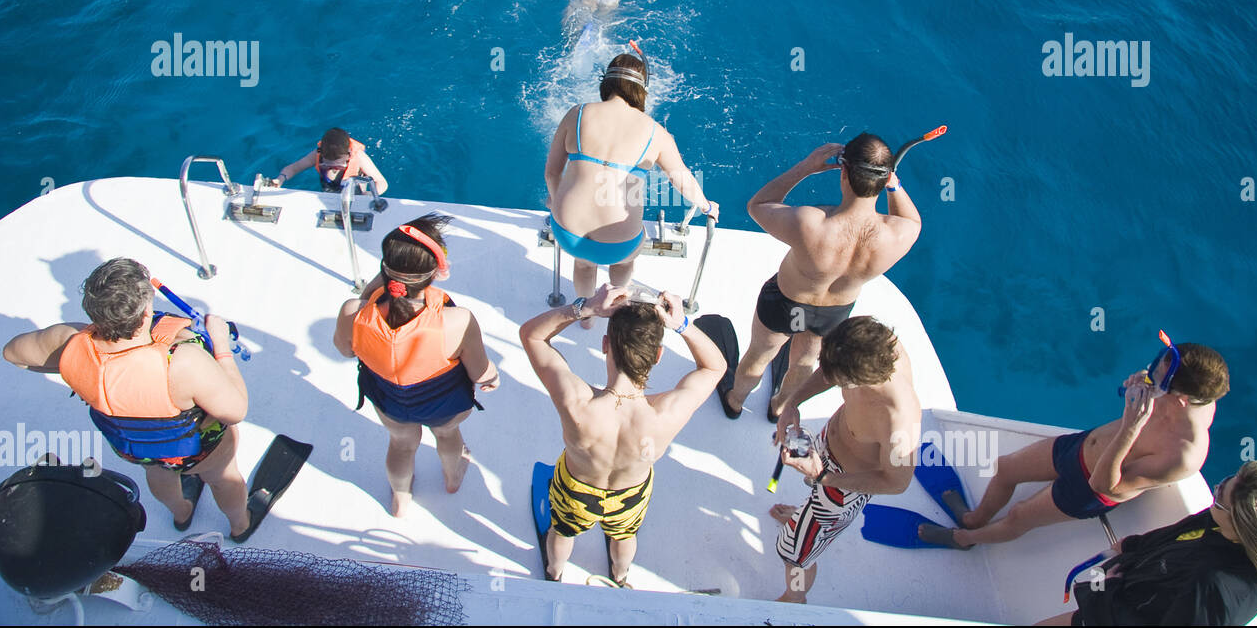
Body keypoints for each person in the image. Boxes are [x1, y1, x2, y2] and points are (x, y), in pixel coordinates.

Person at [2, 259, 254, 539]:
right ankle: (240, 524)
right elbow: (235, 411)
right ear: (147, 312)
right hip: (198, 450)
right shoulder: (183, 362)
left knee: (159, 472)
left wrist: (70, 370)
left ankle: (181, 513)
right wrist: (221, 346)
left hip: (139, 450)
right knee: (224, 478)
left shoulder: (66, 341)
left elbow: (13, 355)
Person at [519, 284, 725, 586]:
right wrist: (682, 324)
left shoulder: (576, 401)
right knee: (625, 535)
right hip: (629, 495)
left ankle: (555, 572)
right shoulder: (665, 414)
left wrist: (585, 307)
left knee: (561, 531)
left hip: (576, 490)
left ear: (605, 344)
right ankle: (619, 574)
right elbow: (714, 367)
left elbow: (532, 335)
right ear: (658, 355)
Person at [941, 338, 1229, 549]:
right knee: (1006, 468)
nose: (1150, 378)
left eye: (1158, 380)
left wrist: (1130, 427)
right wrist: (1137, 383)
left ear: (1181, 401)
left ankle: (964, 539)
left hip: (1089, 487)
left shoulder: (1184, 454)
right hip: (1081, 446)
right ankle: (973, 519)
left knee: (1019, 516)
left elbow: (1104, 486)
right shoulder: (1178, 392)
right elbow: (1150, 382)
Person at [721, 134, 921, 422]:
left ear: (843, 172)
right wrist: (895, 185)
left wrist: (805, 167)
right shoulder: (898, 235)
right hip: (834, 314)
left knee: (761, 354)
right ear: (885, 179)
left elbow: (758, 205)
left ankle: (735, 401)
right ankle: (778, 408)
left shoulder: (810, 223)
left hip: (786, 303)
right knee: (805, 360)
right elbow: (912, 220)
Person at [333, 214, 499, 516]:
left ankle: (400, 498)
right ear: (435, 272)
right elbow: (479, 372)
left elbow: (345, 351)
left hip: (389, 401)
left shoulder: (352, 312)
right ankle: (452, 478)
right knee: (448, 438)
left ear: (385, 268)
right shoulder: (457, 320)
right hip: (444, 403)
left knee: (401, 444)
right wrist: (493, 375)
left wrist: (371, 291)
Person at [543, 52, 716, 327]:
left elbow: (552, 172)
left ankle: (586, 317)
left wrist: (555, 200)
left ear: (606, 83)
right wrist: (707, 206)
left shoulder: (576, 113)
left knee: (583, 264)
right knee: (625, 262)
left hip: (568, 232)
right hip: (618, 244)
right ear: (642, 89)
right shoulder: (656, 132)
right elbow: (681, 180)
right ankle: (616, 308)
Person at [768, 316, 921, 603]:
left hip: (843, 488)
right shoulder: (869, 345)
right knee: (809, 510)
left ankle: (794, 598)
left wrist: (824, 478)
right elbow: (829, 371)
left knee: (796, 556)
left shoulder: (899, 420)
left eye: (838, 382)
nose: (829, 379)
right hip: (828, 451)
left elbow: (895, 483)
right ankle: (805, 515)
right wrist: (793, 402)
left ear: (858, 381)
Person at [1037, 460, 1257, 625]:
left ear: (1242, 528)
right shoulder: (1221, 523)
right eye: (1223, 484)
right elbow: (1181, 531)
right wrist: (1132, 546)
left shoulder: (1212, 586)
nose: (1216, 489)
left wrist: (1111, 590)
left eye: (1219, 497)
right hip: (1120, 598)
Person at [273, 126, 388, 194]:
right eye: (328, 163)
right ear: (321, 153)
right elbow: (293, 168)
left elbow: (382, 182)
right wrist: (280, 179)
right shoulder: (316, 155)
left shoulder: (359, 157)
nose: (333, 168)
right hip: (329, 190)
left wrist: (370, 195)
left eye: (338, 164)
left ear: (349, 153)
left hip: (356, 192)